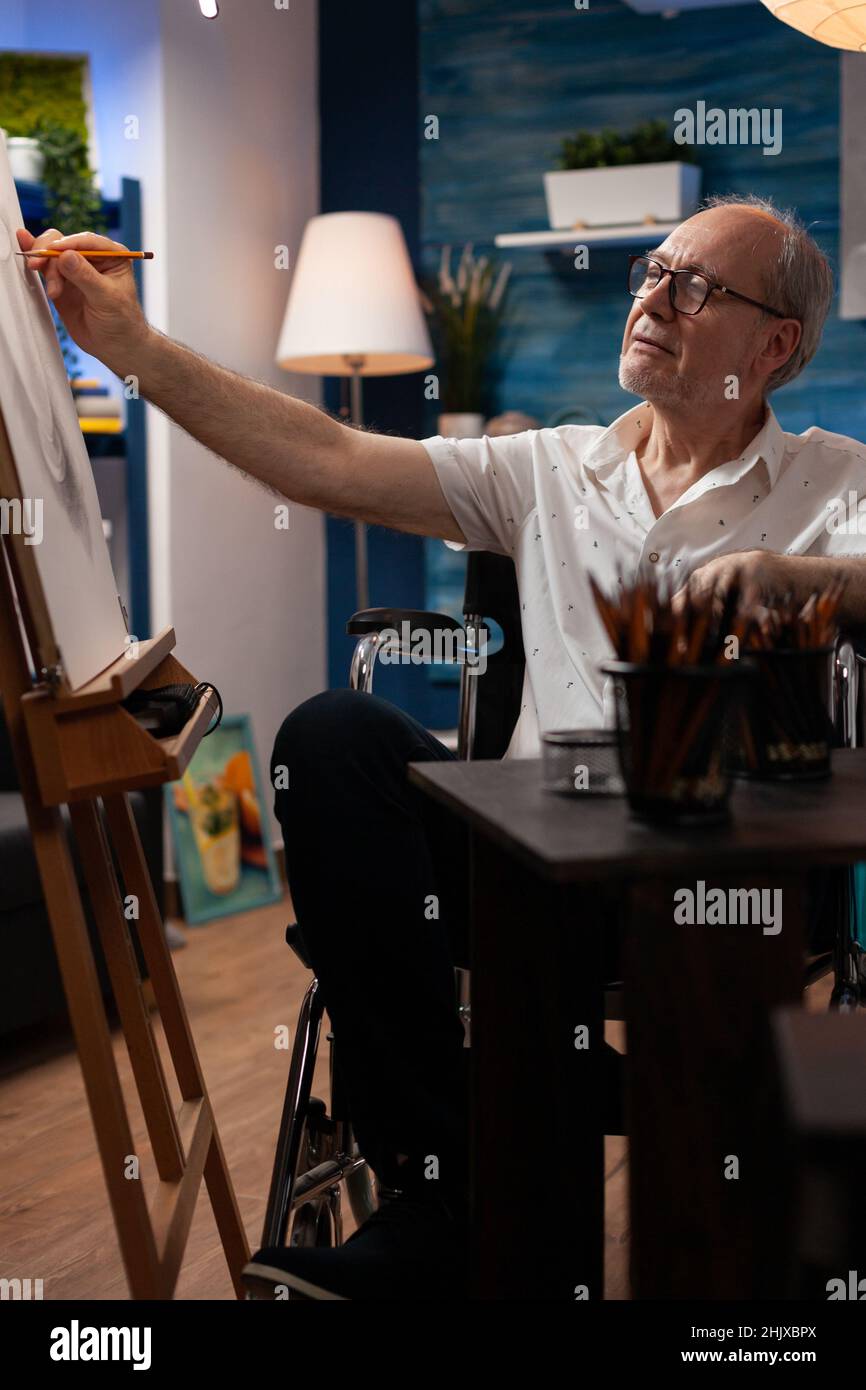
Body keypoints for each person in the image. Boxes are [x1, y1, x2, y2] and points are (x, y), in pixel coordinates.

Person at [21, 193, 866, 1300]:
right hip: (521, 872)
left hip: (717, 885)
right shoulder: (544, 470)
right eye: (651, 270)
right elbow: (320, 457)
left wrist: (796, 580)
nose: (652, 296)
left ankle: (567, 1129)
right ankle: (443, 1195)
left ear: (771, 347)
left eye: (693, 283)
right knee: (331, 736)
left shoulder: (832, 480)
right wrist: (130, 349)